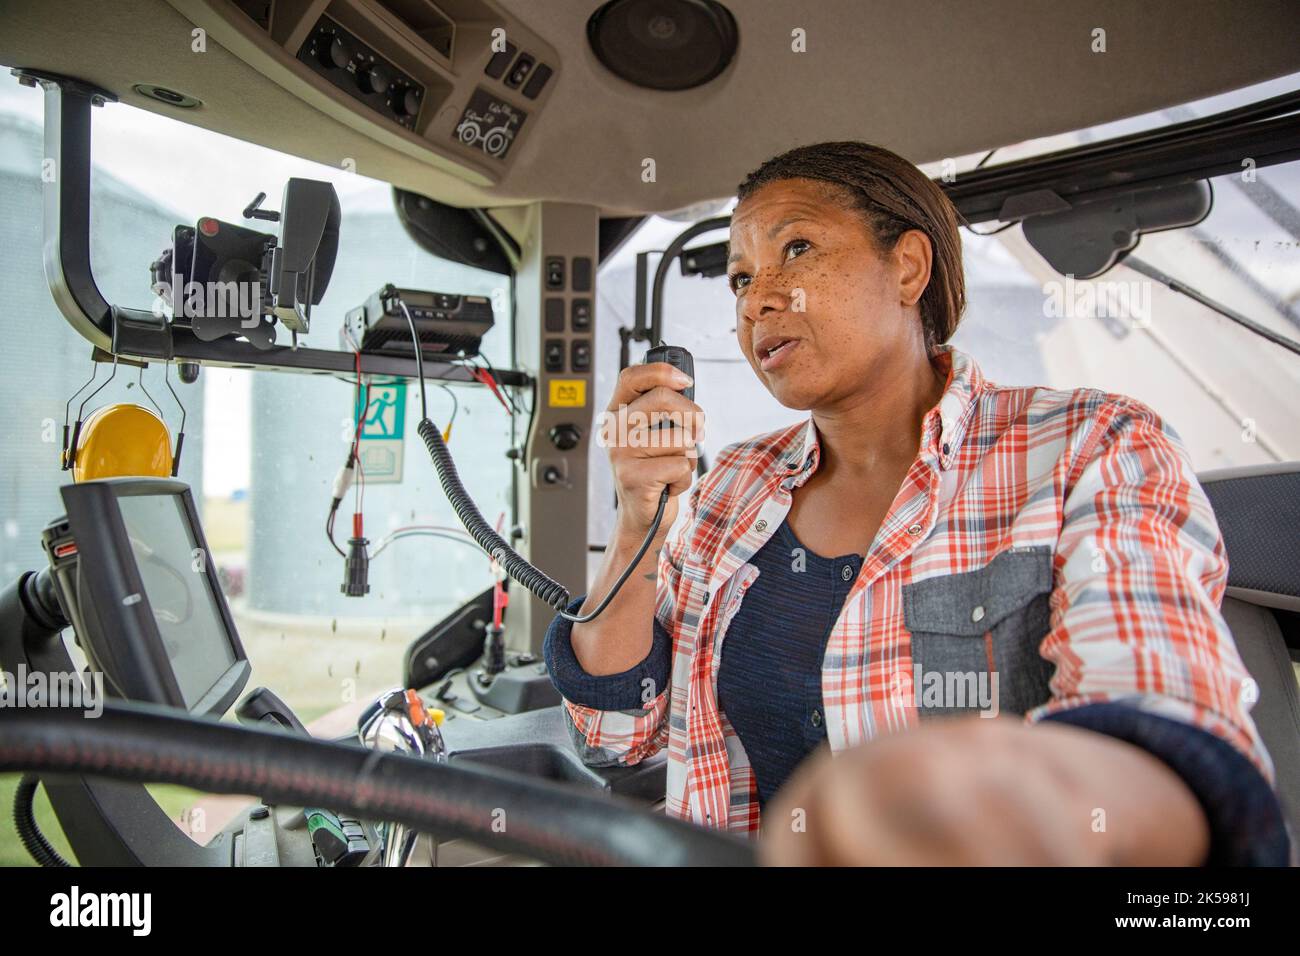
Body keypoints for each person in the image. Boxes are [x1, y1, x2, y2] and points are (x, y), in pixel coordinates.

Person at [543, 141, 1290, 865]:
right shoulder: (733, 486)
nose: (759, 299)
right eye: (739, 280)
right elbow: (617, 733)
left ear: (907, 267)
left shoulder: (1094, 445)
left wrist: (1064, 808)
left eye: (795, 250)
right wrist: (642, 515)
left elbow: (1159, 701)